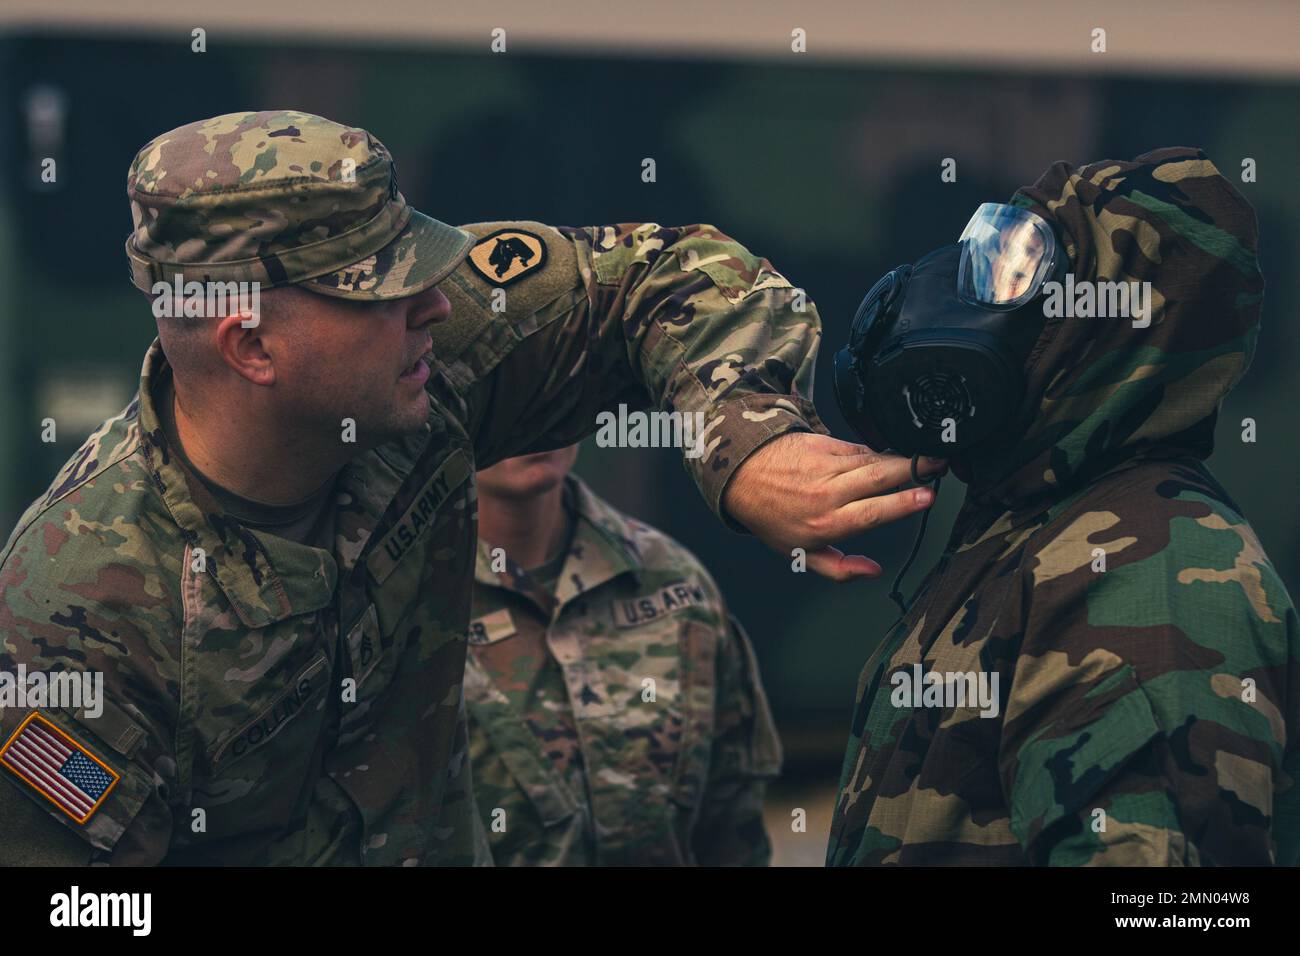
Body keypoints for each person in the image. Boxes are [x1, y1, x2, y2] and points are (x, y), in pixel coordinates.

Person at [0, 109, 940, 865]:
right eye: (380, 287)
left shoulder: (423, 366)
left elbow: (670, 270)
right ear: (251, 345)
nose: (436, 306)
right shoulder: (76, 609)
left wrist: (748, 448)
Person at [828, 147, 1299, 866]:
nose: (970, 293)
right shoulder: (1028, 531)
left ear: (1108, 324)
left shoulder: (1153, 570)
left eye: (1018, 271)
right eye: (989, 258)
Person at [467, 445, 780, 865]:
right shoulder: (405, 603)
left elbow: (732, 828)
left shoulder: (672, 583)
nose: (530, 411)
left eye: (547, 380)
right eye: (500, 384)